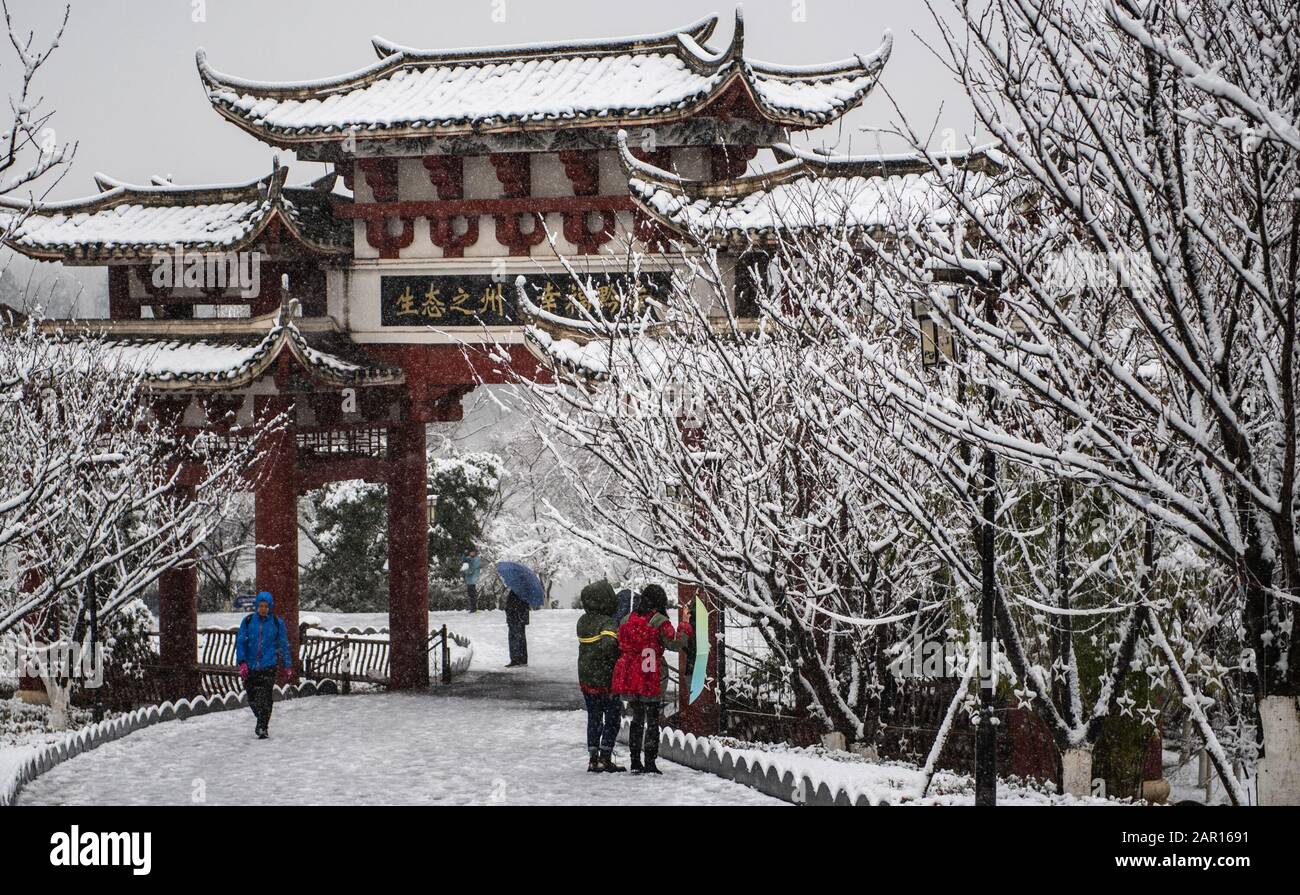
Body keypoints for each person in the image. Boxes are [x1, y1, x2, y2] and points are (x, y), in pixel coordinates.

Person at [612, 584, 692, 774]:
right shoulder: (659, 621)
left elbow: (620, 641)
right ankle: (650, 761)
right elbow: (675, 643)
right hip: (651, 674)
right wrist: (685, 625)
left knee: (637, 719)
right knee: (653, 720)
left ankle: (635, 761)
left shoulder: (626, 619)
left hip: (632, 675)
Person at [576, 580, 625, 773]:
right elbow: (608, 645)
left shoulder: (582, 621)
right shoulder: (607, 622)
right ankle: (605, 756)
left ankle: (593, 758)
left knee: (594, 717)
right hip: (605, 679)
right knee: (612, 717)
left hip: (586, 678)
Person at [236, 591, 293, 739]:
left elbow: (283, 645)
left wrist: (287, 665)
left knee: (266, 697)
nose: (263, 609)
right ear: (256, 606)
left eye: (266, 606)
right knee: (252, 698)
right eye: (260, 606)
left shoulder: (276, 622)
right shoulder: (248, 621)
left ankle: (262, 726)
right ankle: (261, 719)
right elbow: (241, 642)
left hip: (268, 665)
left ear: (270, 607)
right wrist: (242, 662)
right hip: (250, 666)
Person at [504, 588, 530, 667]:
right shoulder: (525, 589)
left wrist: (508, 608)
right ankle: (522, 659)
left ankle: (515, 660)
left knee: (514, 638)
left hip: (515, 617)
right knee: (521, 638)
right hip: (520, 617)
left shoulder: (516, 590)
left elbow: (512, 604)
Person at [461, 546, 482, 612]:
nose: (471, 553)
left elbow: (472, 569)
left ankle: (474, 608)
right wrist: (464, 554)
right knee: (470, 593)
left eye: (473, 552)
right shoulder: (469, 558)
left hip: (473, 578)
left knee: (472, 593)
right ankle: (472, 607)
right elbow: (463, 560)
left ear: (475, 553)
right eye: (470, 552)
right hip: (469, 578)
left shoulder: (477, 559)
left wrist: (465, 571)